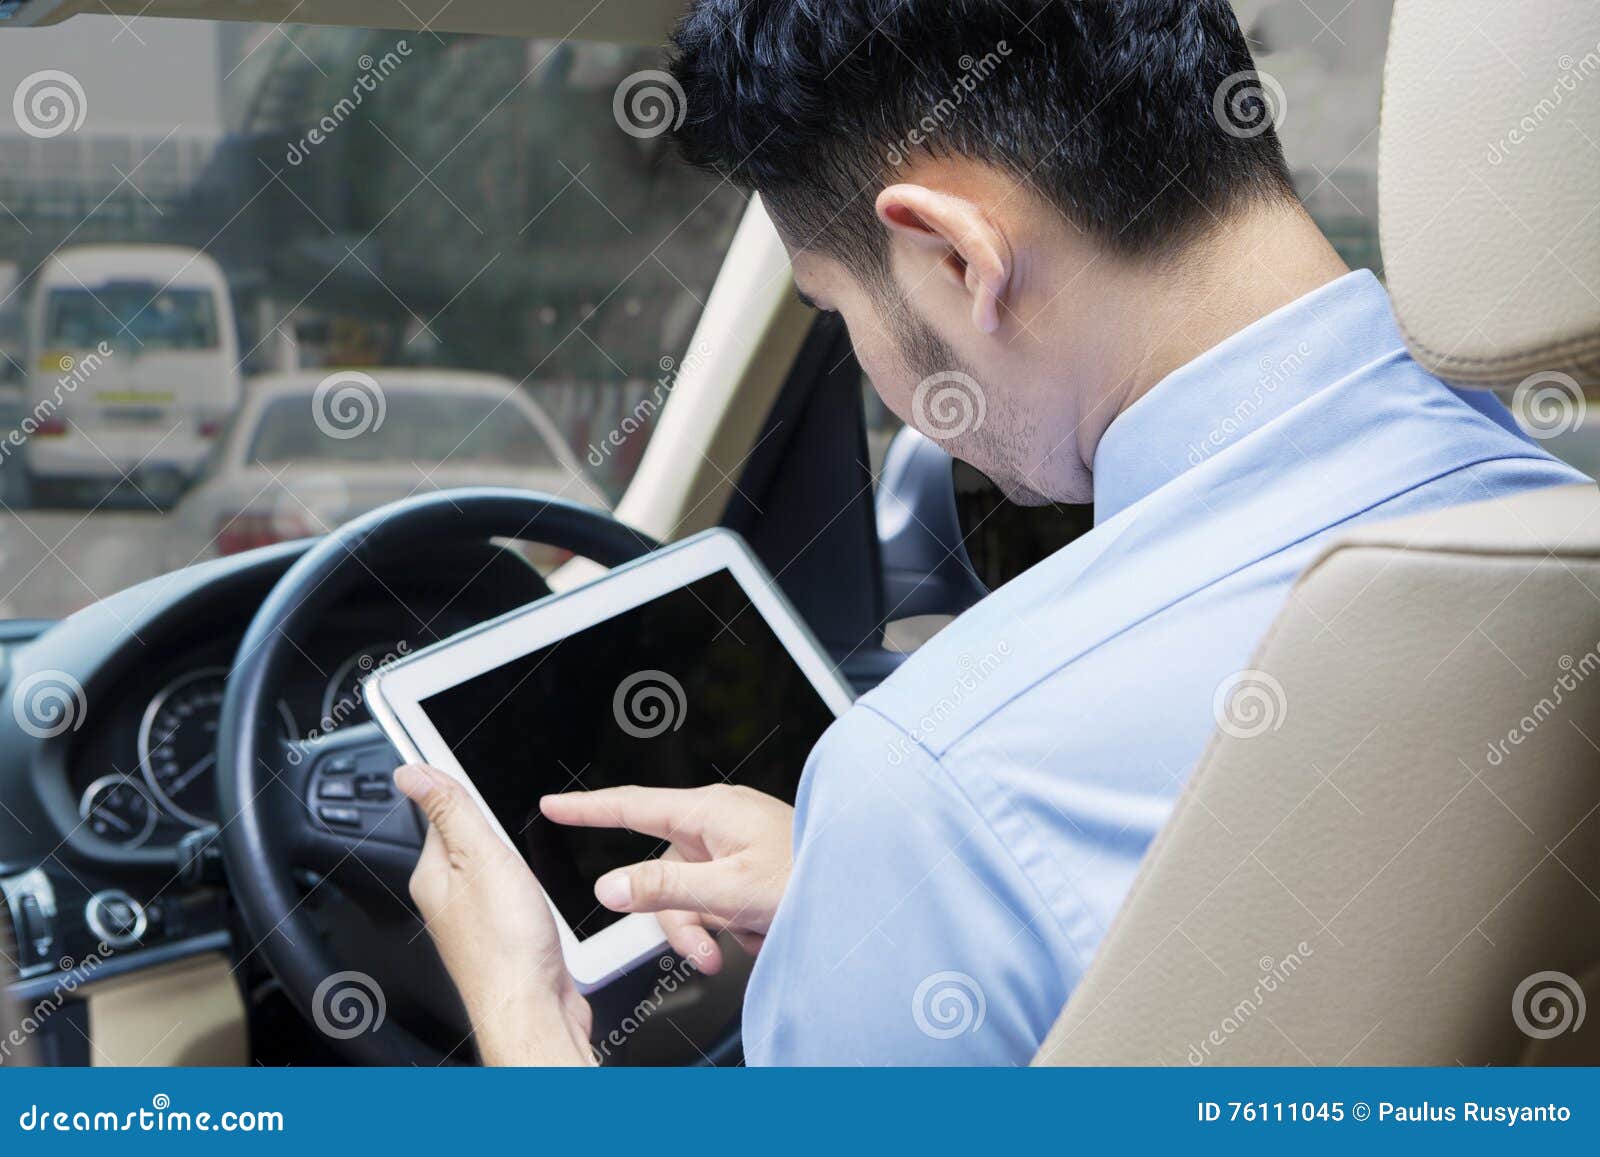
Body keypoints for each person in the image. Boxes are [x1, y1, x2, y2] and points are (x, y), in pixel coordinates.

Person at [393, 0, 1591, 1065]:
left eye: (834, 306)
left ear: (956, 255)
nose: (866, 362)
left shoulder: (938, 780)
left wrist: (522, 1020)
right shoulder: (1540, 521)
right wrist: (863, 908)